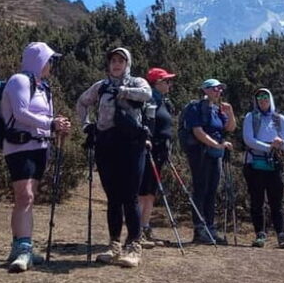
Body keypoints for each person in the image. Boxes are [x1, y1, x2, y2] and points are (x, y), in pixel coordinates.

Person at [76, 47, 151, 267]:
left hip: (131, 146)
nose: (116, 64)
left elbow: (147, 94)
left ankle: (134, 246)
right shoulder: (101, 87)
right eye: (113, 61)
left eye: (121, 60)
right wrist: (85, 125)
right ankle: (114, 244)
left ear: (128, 64)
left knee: (130, 196)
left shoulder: (137, 82)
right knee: (113, 198)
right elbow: (82, 102)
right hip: (106, 146)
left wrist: (124, 92)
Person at [1, 42, 71, 273]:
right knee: (25, 196)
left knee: (29, 198)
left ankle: (22, 246)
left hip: (39, 148)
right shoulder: (19, 81)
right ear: (39, 60)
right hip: (19, 147)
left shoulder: (44, 87)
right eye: (50, 60)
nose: (52, 64)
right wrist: (50, 123)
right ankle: (22, 249)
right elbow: (21, 112)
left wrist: (57, 127)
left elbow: (44, 119)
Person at [184, 78, 236, 244]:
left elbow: (230, 128)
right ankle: (200, 229)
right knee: (200, 190)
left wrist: (230, 112)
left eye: (220, 89)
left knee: (212, 192)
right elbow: (197, 131)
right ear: (205, 90)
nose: (219, 91)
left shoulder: (219, 110)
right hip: (201, 154)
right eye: (215, 88)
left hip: (215, 155)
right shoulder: (195, 107)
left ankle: (210, 228)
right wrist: (218, 145)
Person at [242, 88, 284, 248]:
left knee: (276, 201)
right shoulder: (251, 117)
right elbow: (248, 140)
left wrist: (281, 144)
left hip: (275, 164)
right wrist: (269, 147)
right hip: (255, 164)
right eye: (259, 97)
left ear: (270, 98)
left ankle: (281, 234)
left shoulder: (279, 119)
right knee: (257, 201)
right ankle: (260, 234)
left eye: (265, 96)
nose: (262, 100)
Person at [138, 67, 177, 248]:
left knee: (151, 191)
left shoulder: (164, 101)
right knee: (143, 191)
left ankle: (145, 227)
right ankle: (137, 230)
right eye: (166, 81)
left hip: (160, 152)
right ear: (157, 83)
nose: (170, 84)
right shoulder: (149, 99)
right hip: (148, 151)